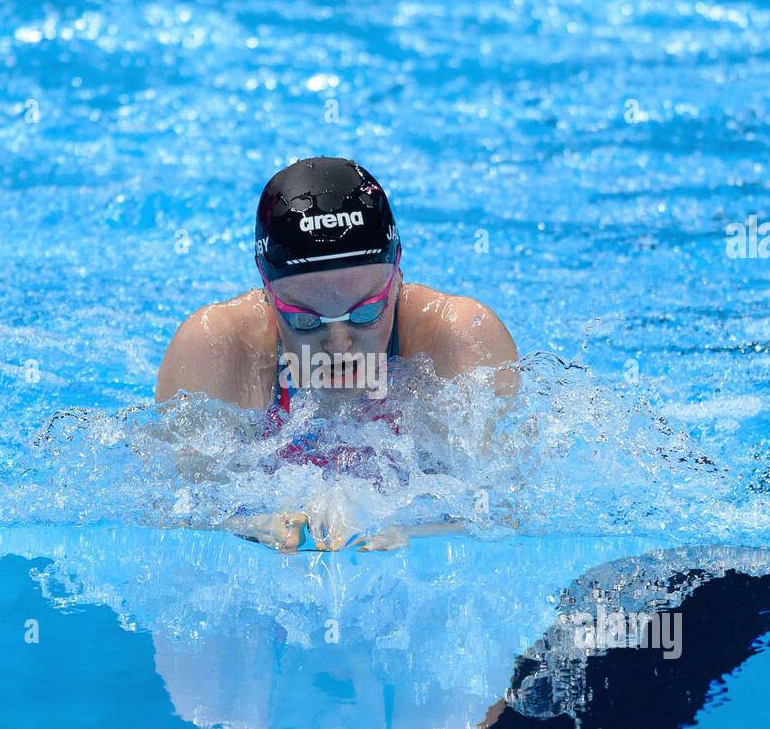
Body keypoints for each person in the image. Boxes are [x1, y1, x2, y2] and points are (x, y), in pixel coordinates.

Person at [155, 157, 518, 550]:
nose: (340, 344)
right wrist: (246, 524)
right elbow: (175, 511)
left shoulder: (456, 337)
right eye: (307, 321)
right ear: (268, 291)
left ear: (397, 272)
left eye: (364, 313)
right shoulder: (219, 348)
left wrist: (407, 533)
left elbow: (504, 510)